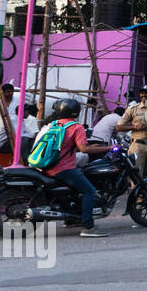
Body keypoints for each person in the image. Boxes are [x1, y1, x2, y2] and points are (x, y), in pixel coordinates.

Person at [40, 99, 111, 237]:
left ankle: (72, 219)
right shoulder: (76, 127)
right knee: (90, 191)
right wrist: (108, 148)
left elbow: (65, 145)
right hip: (63, 168)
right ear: (76, 112)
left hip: (49, 166)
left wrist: (92, 146)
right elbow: (84, 149)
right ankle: (88, 227)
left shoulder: (54, 124)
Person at [117, 85, 147, 181]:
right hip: (137, 146)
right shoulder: (132, 109)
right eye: (142, 93)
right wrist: (134, 127)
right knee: (135, 178)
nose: (144, 95)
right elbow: (118, 127)